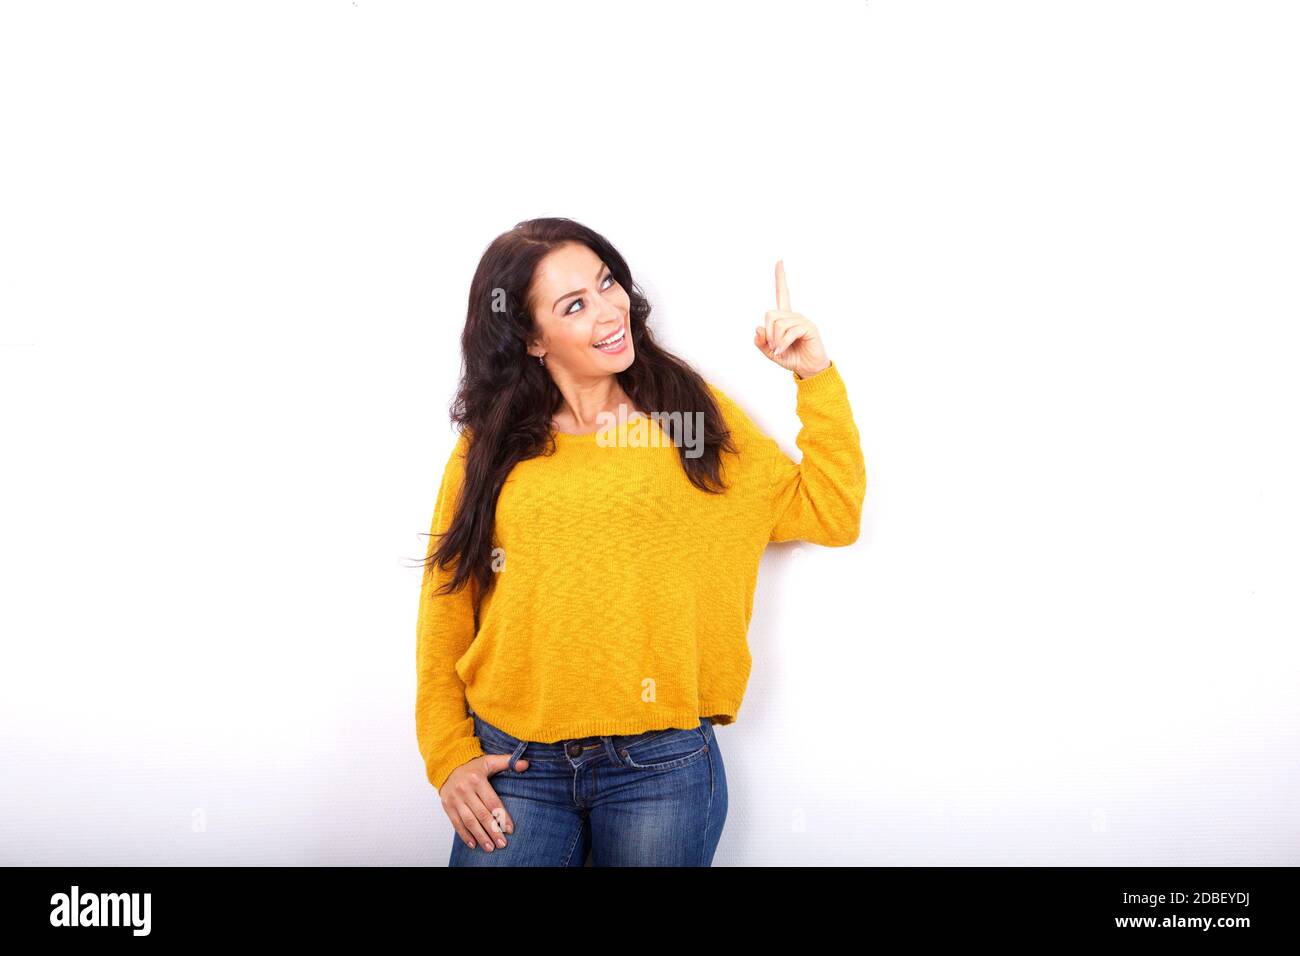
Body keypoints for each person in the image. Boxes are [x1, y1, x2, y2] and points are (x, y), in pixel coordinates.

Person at [415, 217, 866, 866]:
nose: (609, 310)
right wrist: (448, 755)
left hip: (659, 768)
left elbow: (831, 511)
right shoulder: (488, 447)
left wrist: (814, 377)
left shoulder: (689, 418)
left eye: (606, 283)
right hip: (513, 766)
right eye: (574, 304)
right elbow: (446, 603)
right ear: (532, 338)